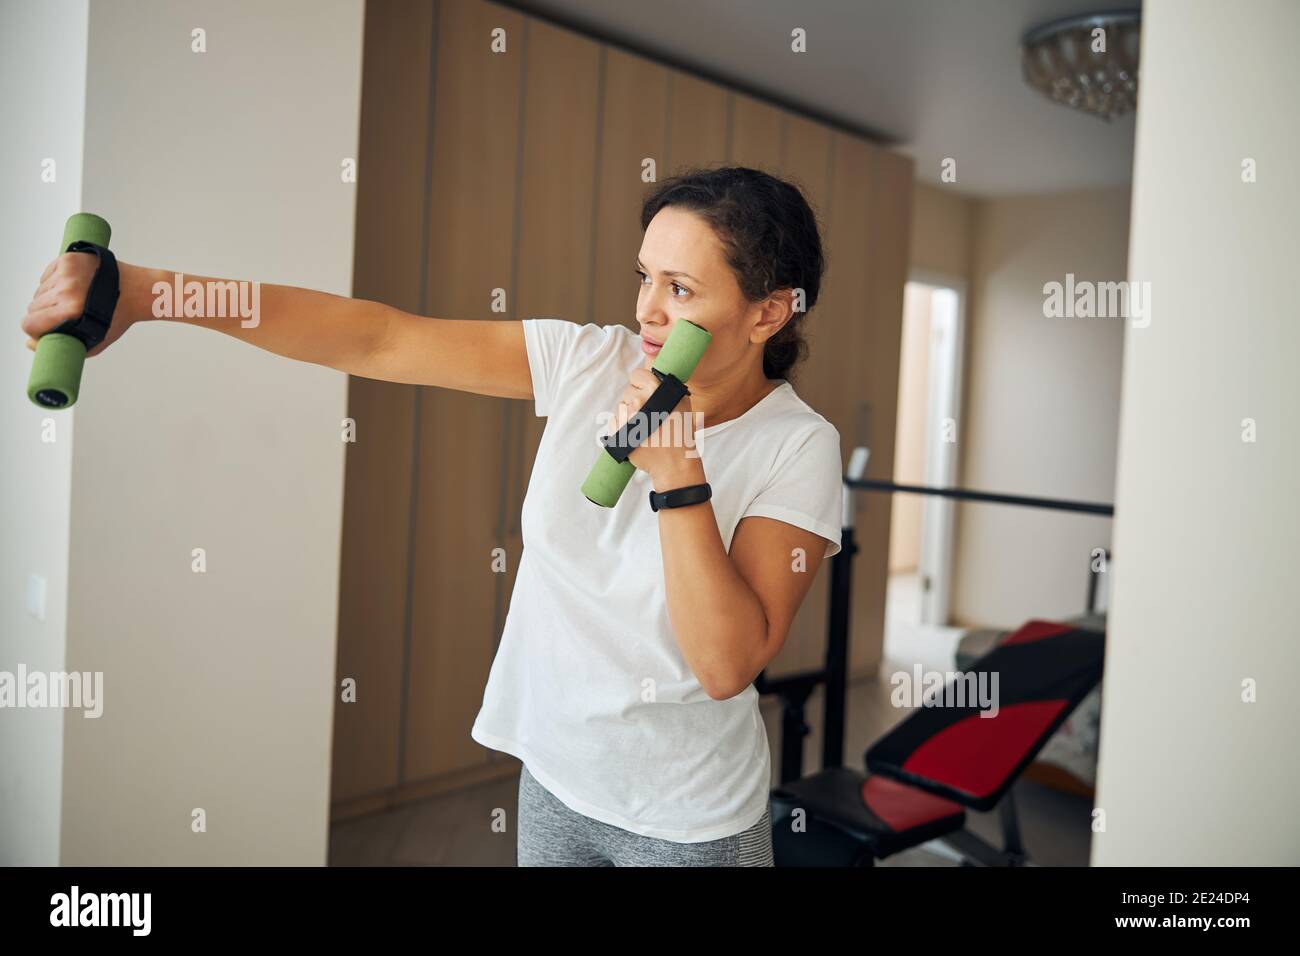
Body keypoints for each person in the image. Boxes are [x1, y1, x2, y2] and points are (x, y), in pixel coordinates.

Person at [22, 165, 843, 867]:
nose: (648, 313)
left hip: (687, 822)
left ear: (768, 312)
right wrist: (149, 292)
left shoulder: (797, 447)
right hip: (557, 776)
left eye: (681, 288)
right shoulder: (590, 362)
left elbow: (727, 664)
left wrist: (678, 478)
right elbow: (375, 339)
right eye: (645, 277)